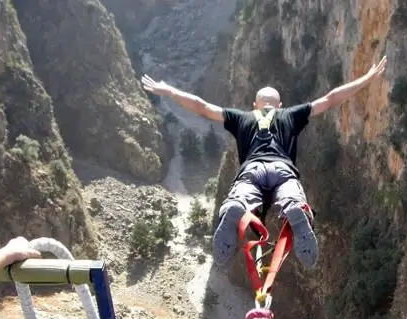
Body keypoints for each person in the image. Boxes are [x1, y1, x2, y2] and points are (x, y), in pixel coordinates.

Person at [141, 55, 387, 269]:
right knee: (291, 195)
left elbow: (202, 107)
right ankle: (294, 208)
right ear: (280, 106)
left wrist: (170, 91)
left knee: (241, 196)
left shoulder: (242, 117)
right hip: (282, 169)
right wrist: (366, 79)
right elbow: (331, 98)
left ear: (254, 105)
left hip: (252, 170)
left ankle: (236, 207)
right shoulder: (290, 114)